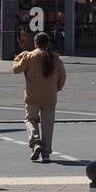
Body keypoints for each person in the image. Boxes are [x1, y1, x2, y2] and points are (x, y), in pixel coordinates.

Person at [13, 32, 66, 162]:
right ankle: (46, 154)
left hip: (32, 96)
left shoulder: (29, 57)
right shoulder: (56, 59)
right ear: (48, 43)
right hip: (50, 97)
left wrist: (18, 57)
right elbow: (63, 77)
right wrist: (56, 88)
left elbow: (15, 69)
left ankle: (36, 142)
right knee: (48, 125)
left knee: (30, 119)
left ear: (35, 43)